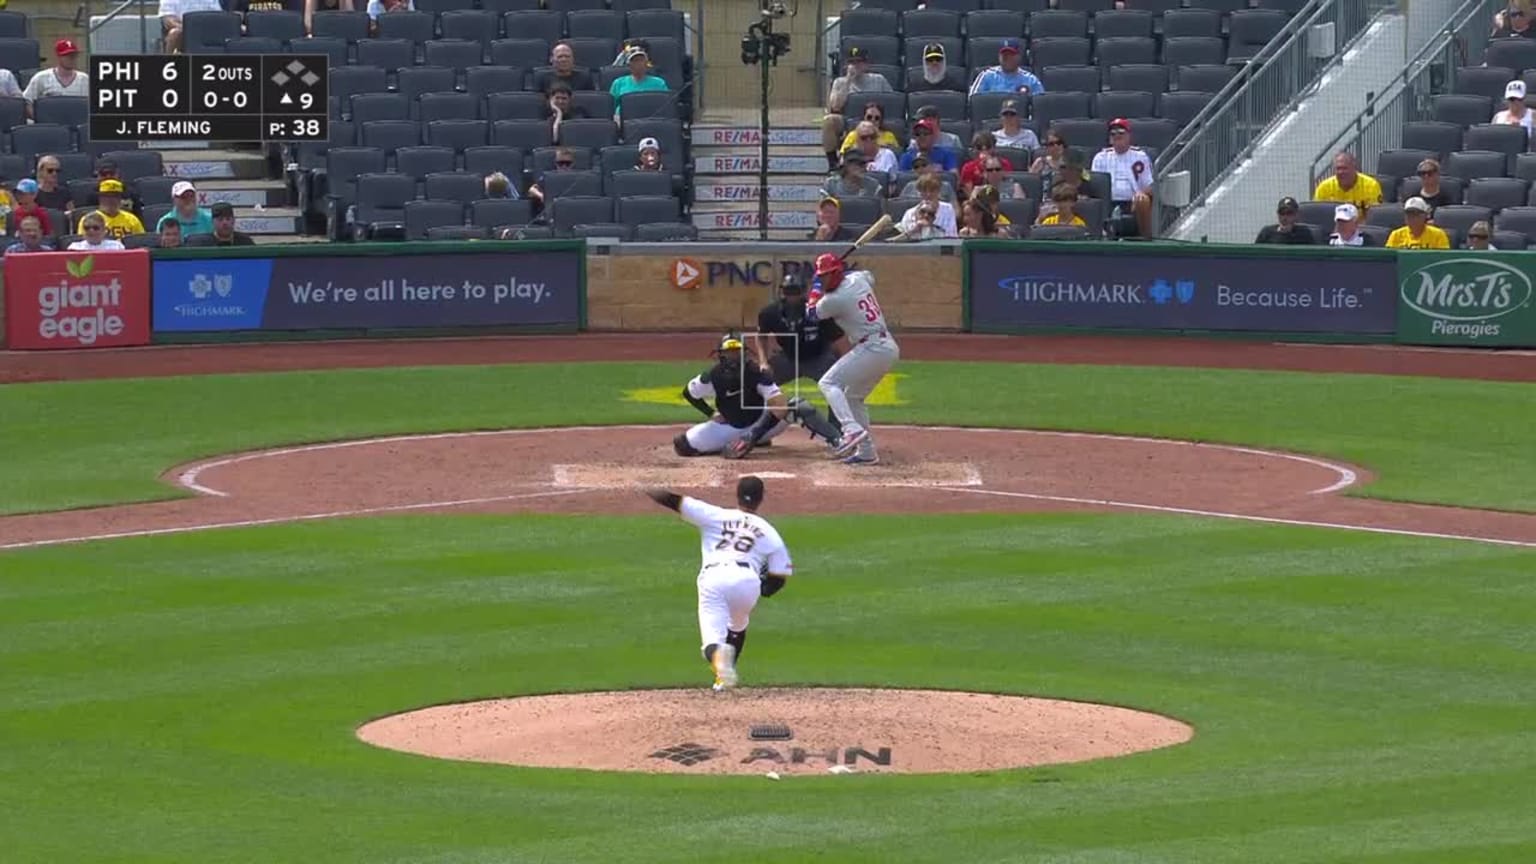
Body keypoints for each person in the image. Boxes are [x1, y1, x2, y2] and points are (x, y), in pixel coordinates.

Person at [641, 476, 793, 692]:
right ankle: (723, 680)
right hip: (748, 582)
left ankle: (722, 666)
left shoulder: (716, 515)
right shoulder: (770, 532)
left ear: (737, 495)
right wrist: (764, 588)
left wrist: (645, 486)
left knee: (711, 644)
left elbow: (674, 501)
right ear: (761, 499)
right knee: (738, 626)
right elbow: (778, 578)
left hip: (714, 578)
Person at [807, 253, 900, 466]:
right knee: (853, 397)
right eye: (821, 277)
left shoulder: (834, 300)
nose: (824, 280)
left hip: (873, 347)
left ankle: (850, 429)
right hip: (884, 347)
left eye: (827, 276)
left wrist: (814, 290)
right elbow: (869, 276)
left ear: (837, 273)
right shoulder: (857, 279)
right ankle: (867, 452)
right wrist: (839, 272)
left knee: (828, 382)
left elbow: (811, 315)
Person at [673, 332, 797, 458]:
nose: (733, 356)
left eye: (736, 351)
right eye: (729, 352)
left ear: (743, 352)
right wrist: (710, 413)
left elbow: (780, 405)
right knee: (682, 445)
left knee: (796, 406)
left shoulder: (756, 372)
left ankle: (756, 439)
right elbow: (688, 393)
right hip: (728, 428)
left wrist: (754, 435)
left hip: (759, 425)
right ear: (721, 354)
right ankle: (742, 441)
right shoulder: (713, 375)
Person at [751, 270, 849, 403]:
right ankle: (758, 419)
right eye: (788, 292)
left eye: (795, 292)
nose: (791, 297)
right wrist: (763, 362)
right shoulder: (770, 313)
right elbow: (761, 336)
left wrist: (846, 363)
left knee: (838, 386)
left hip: (818, 357)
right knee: (758, 382)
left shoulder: (819, 311)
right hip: (788, 357)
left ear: (803, 292)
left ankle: (837, 423)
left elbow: (838, 338)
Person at [820, 46, 893, 171]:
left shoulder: (878, 79)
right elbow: (835, 106)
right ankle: (833, 164)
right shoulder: (840, 82)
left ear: (866, 64)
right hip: (850, 121)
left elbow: (892, 103)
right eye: (852, 62)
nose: (855, 65)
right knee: (829, 120)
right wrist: (848, 81)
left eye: (859, 62)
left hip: (875, 119)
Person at [1091, 118, 1154, 238]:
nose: (1117, 136)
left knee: (1143, 200)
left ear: (1129, 136)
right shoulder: (1100, 157)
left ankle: (1146, 239)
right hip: (1107, 202)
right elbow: (1095, 185)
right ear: (1109, 138)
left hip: (1132, 202)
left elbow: (1150, 186)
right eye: (1113, 134)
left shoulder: (1140, 156)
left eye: (1121, 133)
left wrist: (1140, 193)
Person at [23, 40, 90, 117]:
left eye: (74, 55)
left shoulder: (84, 79)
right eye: (67, 55)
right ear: (58, 57)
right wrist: (38, 119)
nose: (72, 58)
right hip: (51, 124)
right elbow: (26, 101)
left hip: (77, 121)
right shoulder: (41, 77)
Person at [608, 44, 669, 120]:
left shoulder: (659, 83)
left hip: (652, 120)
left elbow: (666, 107)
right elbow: (611, 108)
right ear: (629, 64)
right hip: (625, 121)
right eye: (635, 61)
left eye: (641, 60)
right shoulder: (618, 83)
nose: (639, 64)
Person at [968, 39, 1044, 96]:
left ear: (1019, 57)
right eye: (1004, 55)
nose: (1007, 58)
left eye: (1011, 55)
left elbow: (1040, 105)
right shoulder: (986, 76)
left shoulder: (1030, 80)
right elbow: (973, 101)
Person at [1312, 151, 1382, 213]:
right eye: (1338, 168)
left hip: (1362, 227)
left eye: (1345, 168)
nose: (1341, 172)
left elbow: (1374, 215)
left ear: (1355, 168)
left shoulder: (1371, 185)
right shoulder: (1324, 187)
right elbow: (1317, 213)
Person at [77, 179, 143, 240]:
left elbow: (141, 241)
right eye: (106, 196)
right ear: (100, 198)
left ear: (120, 198)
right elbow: (84, 243)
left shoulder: (132, 219)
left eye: (115, 196)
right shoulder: (89, 219)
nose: (111, 200)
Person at [959, 131, 1013, 199]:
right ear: (974, 149)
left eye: (988, 147)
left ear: (994, 147)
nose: (984, 151)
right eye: (979, 147)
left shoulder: (1004, 164)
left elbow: (1008, 184)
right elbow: (969, 193)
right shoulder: (968, 167)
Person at [1386, 196, 1451, 249]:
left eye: (1416, 214)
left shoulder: (1438, 235)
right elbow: (1390, 261)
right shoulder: (1396, 235)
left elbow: (1442, 259)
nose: (1411, 217)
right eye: (1408, 213)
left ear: (1425, 215)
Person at [185, 201, 255, 245]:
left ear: (233, 221)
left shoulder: (245, 242)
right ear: (212, 222)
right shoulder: (200, 243)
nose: (225, 223)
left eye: (228, 219)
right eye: (220, 219)